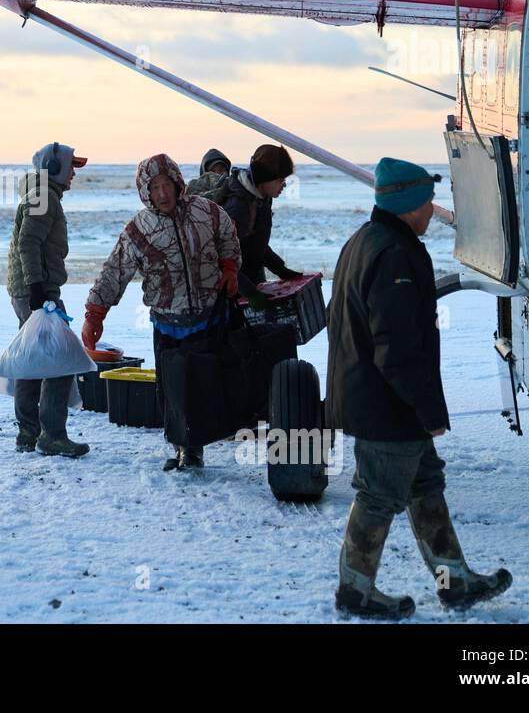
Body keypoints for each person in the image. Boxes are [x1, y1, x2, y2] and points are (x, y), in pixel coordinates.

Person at [327, 157, 512, 619]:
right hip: (388, 404)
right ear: (408, 202)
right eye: (427, 201)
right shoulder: (394, 255)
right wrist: (428, 411)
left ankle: (455, 580)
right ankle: (355, 590)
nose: (433, 209)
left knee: (425, 485)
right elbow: (398, 349)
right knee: (379, 496)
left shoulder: (367, 240)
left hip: (378, 396)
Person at [81, 154, 241, 470]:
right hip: (168, 323)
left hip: (210, 317)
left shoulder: (206, 211)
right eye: (155, 188)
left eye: (167, 184)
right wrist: (95, 313)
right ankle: (186, 449)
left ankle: (201, 443)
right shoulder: (138, 230)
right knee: (175, 394)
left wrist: (229, 266)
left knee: (207, 386)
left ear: (178, 183)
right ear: (146, 192)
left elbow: (229, 235)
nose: (163, 193)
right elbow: (115, 271)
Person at [6, 142, 91, 458]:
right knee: (62, 356)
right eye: (71, 167)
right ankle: (51, 435)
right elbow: (28, 243)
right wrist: (38, 289)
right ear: (54, 168)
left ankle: (28, 431)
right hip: (36, 290)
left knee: (33, 357)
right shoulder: (43, 196)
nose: (73, 174)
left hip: (27, 288)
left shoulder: (42, 194)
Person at [218, 144, 303, 307]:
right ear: (264, 178)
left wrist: (279, 268)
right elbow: (220, 256)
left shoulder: (262, 199)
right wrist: (249, 292)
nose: (284, 185)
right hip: (231, 292)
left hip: (252, 281)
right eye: (280, 180)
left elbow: (256, 244)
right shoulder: (238, 207)